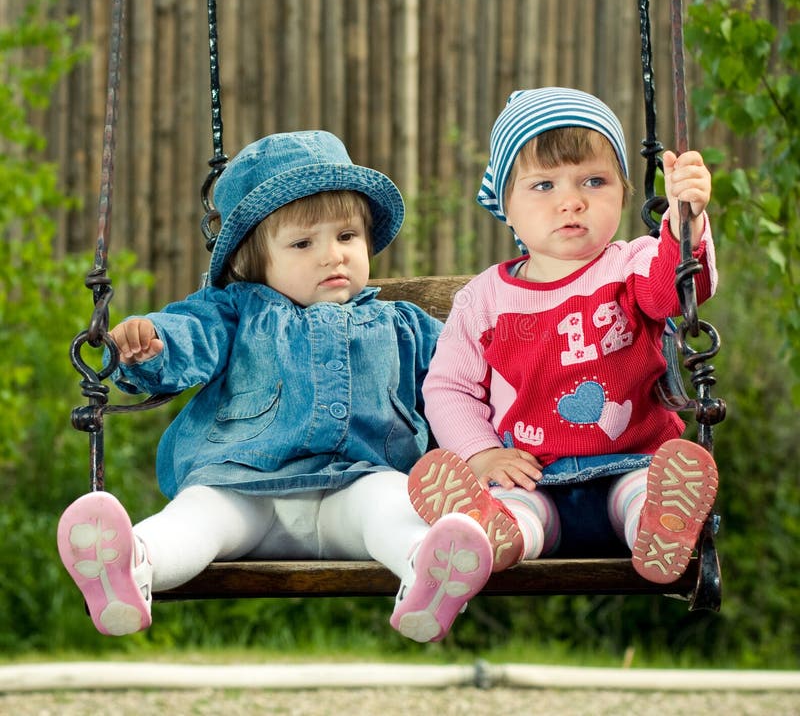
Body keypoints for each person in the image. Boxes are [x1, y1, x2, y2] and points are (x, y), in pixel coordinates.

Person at [57, 130, 493, 643]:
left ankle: (430, 572)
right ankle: (128, 567)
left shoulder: (405, 325)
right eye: (304, 243)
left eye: (347, 237)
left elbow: (468, 378)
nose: (332, 256)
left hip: (355, 487)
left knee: (395, 504)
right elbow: (188, 335)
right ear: (252, 262)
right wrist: (150, 341)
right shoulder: (236, 311)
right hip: (242, 489)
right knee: (195, 519)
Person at [411, 87, 719, 583]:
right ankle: (490, 538)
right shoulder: (484, 300)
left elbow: (679, 291)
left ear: (623, 193)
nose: (571, 202)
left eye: (593, 181)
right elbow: (450, 388)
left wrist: (687, 221)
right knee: (519, 513)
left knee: (644, 496)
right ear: (504, 205)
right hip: (536, 478)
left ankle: (660, 530)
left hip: (633, 464)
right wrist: (482, 452)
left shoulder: (633, 263)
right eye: (543, 186)